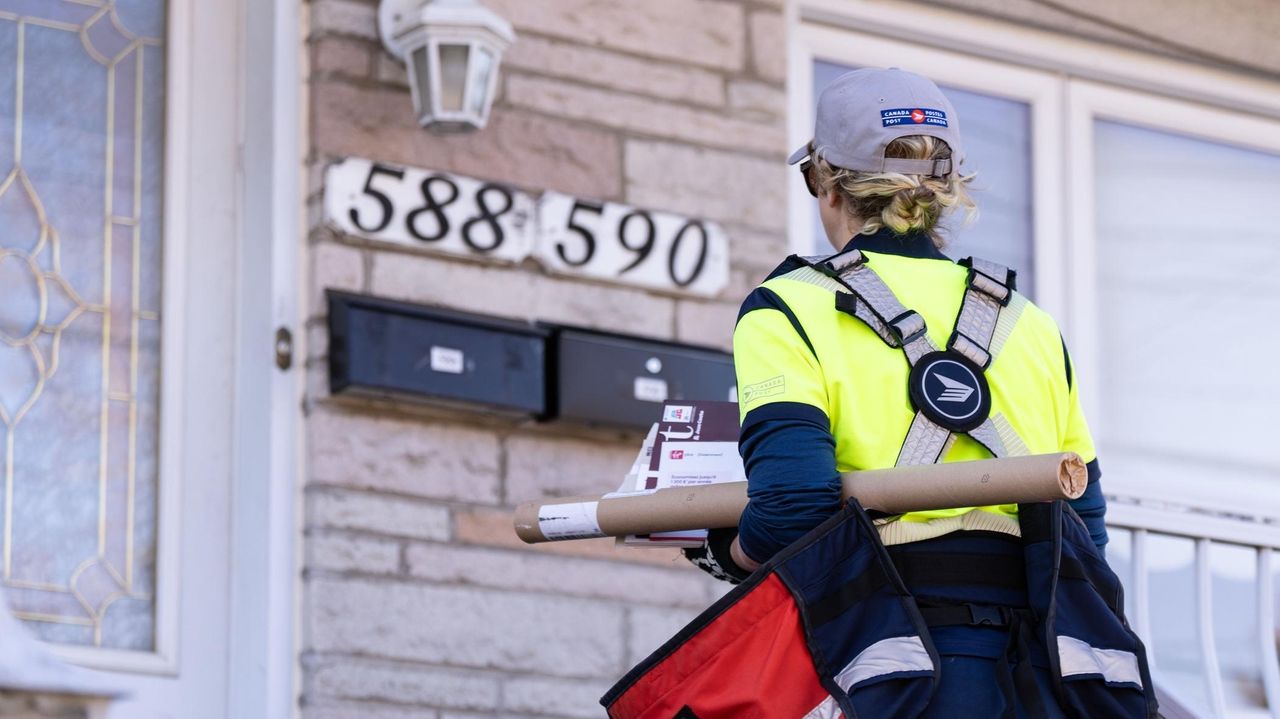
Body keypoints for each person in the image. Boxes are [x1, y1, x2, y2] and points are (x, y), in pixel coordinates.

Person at [679, 68, 1154, 718]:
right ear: (948, 190)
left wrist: (726, 552)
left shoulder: (788, 308)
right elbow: (1085, 526)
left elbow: (793, 510)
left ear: (826, 183)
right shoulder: (1031, 324)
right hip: (1047, 675)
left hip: (901, 662)